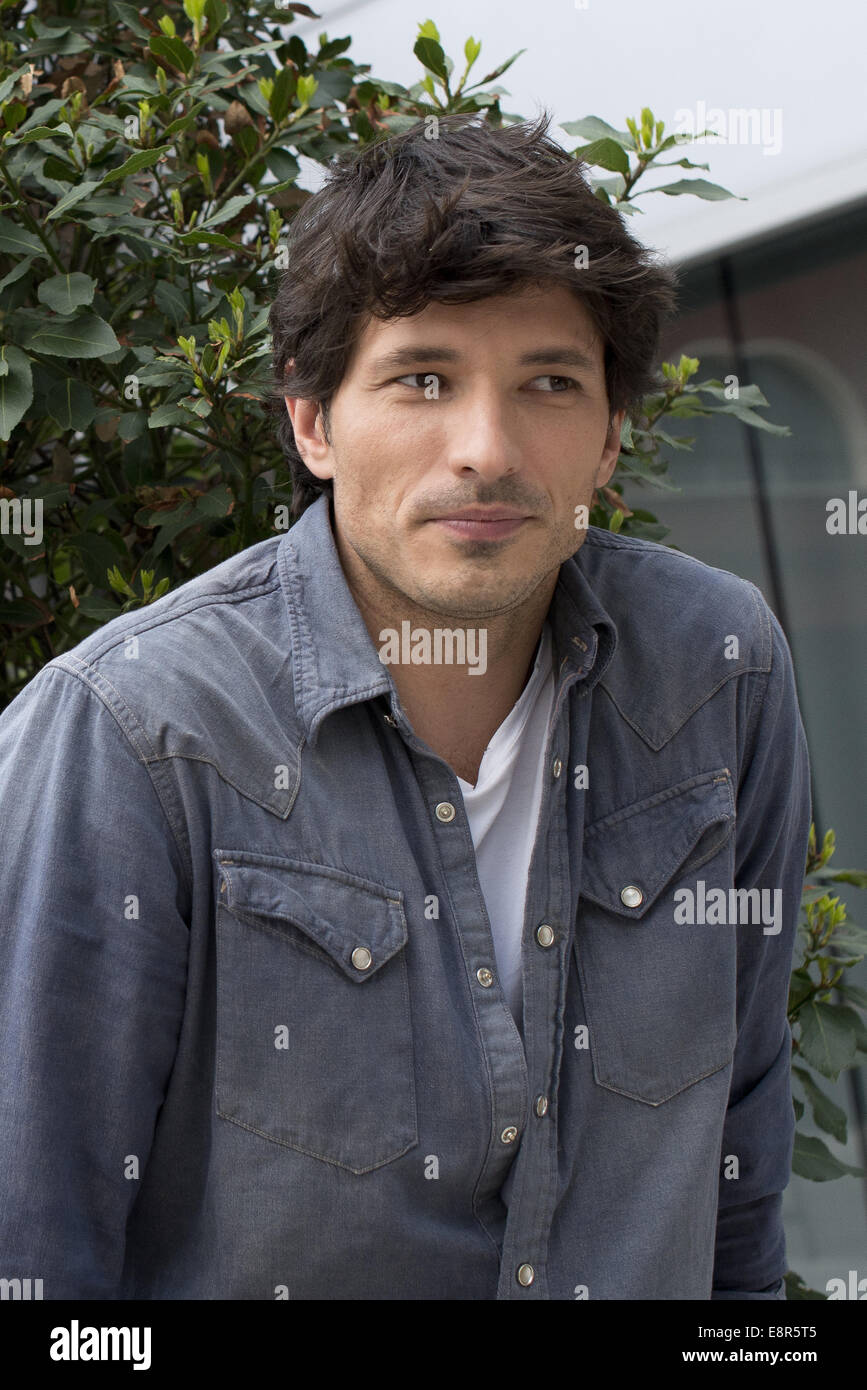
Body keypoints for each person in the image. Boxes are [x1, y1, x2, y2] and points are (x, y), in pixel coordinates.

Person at [0, 109, 811, 1299]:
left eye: (548, 382)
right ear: (313, 420)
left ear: (610, 436)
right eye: (423, 378)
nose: (486, 448)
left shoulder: (717, 669)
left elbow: (741, 1153)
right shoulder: (131, 733)